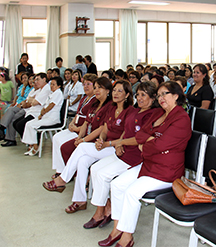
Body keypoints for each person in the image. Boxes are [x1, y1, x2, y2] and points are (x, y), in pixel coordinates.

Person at [102, 82, 191, 247]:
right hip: (149, 163)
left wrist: (147, 143)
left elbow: (160, 145)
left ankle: (127, 237)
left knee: (131, 192)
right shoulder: (160, 114)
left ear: (176, 96)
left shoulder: (181, 119)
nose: (161, 98)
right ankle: (117, 228)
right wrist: (151, 141)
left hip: (166, 171)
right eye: (159, 94)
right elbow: (141, 134)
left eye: (165, 94)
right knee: (117, 184)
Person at [42, 80, 132, 214]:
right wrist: (101, 140)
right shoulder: (112, 108)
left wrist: (105, 143)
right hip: (104, 145)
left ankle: (62, 179)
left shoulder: (130, 112)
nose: (116, 93)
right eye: (115, 90)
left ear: (127, 95)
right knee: (82, 161)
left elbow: (125, 136)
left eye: (120, 91)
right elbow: (105, 129)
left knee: (82, 147)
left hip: (115, 148)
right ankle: (80, 201)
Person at [84, 82, 160, 229]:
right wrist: (119, 143)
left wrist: (120, 142)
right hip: (123, 150)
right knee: (95, 169)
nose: (140, 98)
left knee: (103, 174)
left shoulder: (152, 114)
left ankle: (100, 213)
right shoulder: (136, 111)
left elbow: (140, 138)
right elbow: (127, 130)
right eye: (138, 94)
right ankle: (105, 207)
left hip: (135, 156)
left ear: (152, 98)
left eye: (143, 95)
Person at [54, 77, 113, 179]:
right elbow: (86, 122)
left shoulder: (109, 106)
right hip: (86, 135)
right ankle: (73, 175)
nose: (96, 90)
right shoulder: (95, 104)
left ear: (108, 90)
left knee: (71, 149)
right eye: (95, 88)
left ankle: (68, 177)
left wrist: (84, 140)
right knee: (65, 147)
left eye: (100, 87)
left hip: (96, 139)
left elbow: (101, 129)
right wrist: (79, 137)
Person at [51, 74, 98, 175]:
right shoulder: (84, 98)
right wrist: (71, 124)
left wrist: (77, 129)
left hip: (81, 130)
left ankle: (67, 171)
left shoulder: (95, 100)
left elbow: (90, 121)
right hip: (75, 127)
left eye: (88, 84)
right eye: (84, 84)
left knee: (63, 143)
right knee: (56, 137)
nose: (85, 86)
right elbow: (77, 113)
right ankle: (60, 168)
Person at [22, 77, 65, 156]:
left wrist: (42, 114)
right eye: (51, 84)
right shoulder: (52, 93)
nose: (51, 86)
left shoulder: (58, 93)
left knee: (32, 125)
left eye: (53, 84)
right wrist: (41, 114)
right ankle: (31, 145)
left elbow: (51, 106)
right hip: (46, 117)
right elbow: (45, 105)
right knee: (28, 124)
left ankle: (36, 146)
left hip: (52, 119)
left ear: (59, 86)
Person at [6, 73, 51, 147]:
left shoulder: (46, 89)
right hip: (31, 111)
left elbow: (34, 102)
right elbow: (29, 100)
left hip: (38, 113)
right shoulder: (40, 89)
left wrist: (32, 100)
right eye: (35, 80)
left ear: (44, 79)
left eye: (37, 79)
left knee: (19, 124)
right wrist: (32, 100)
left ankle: (34, 143)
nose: (35, 82)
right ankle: (30, 142)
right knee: (15, 123)